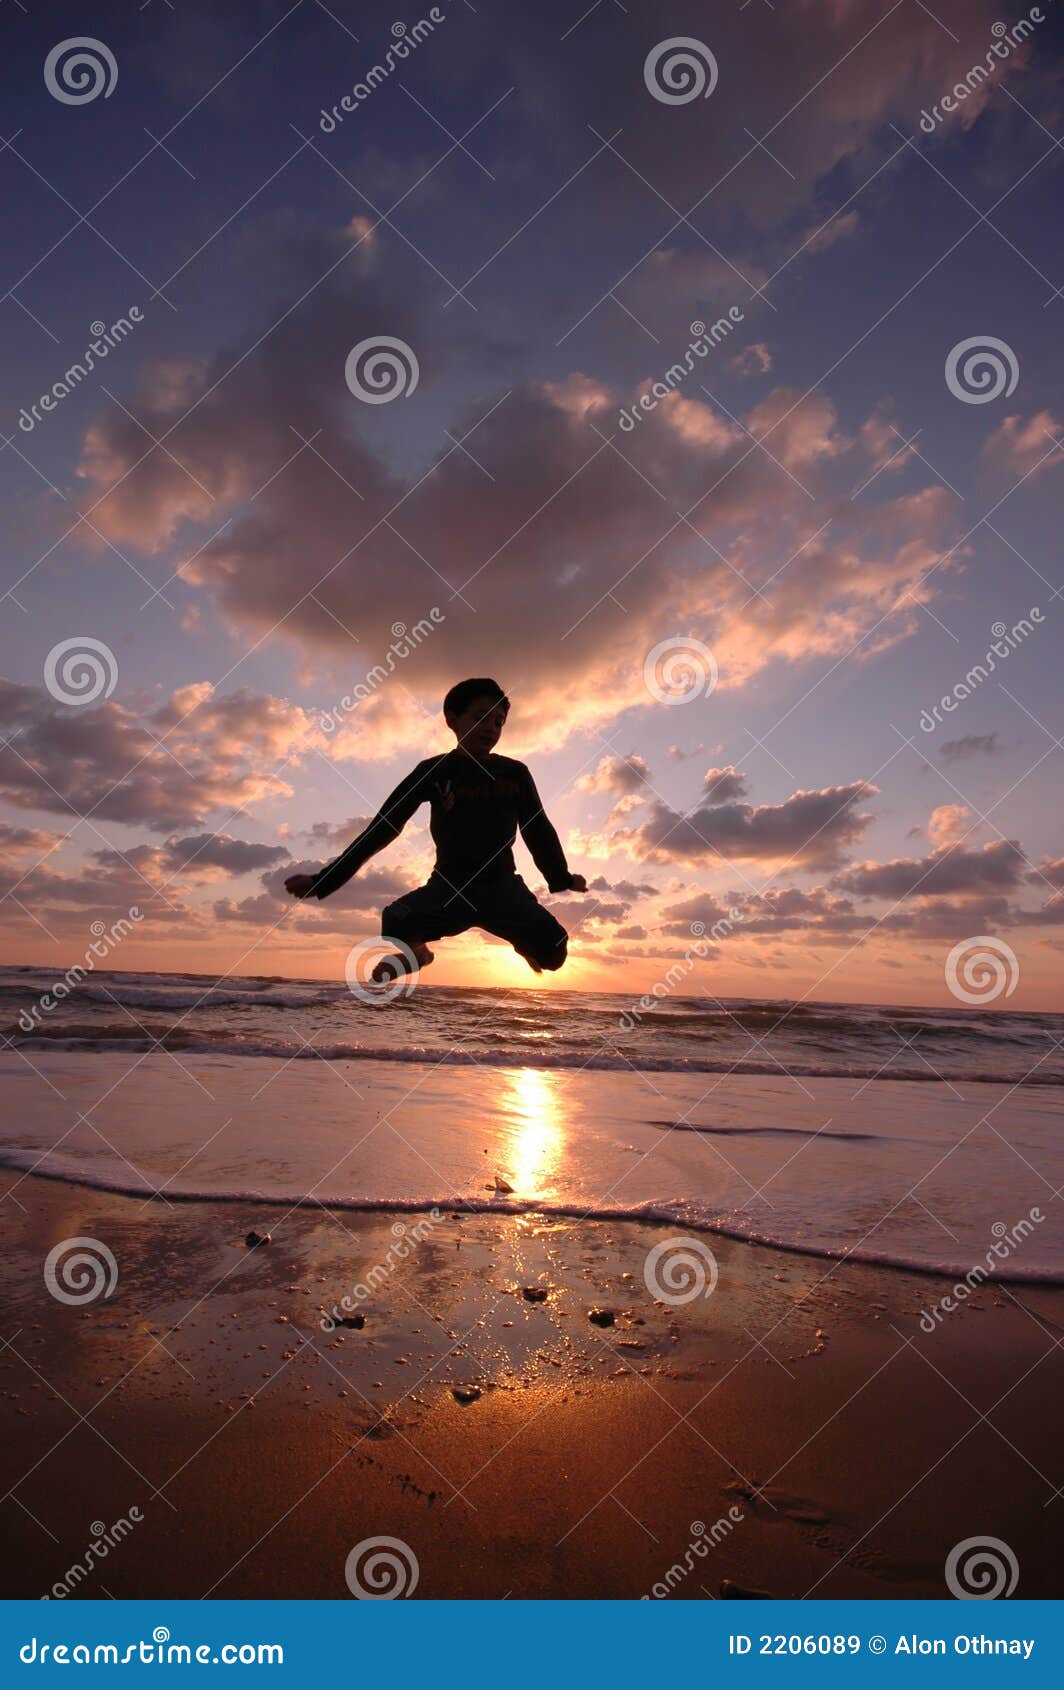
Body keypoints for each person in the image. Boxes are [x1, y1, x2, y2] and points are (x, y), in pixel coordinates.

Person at [285, 678, 587, 983]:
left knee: (555, 952)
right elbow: (384, 826)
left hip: (503, 888)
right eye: (480, 717)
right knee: (395, 920)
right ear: (452, 720)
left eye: (498, 722)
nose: (490, 728)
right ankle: (418, 955)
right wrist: (322, 880)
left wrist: (560, 877)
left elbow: (537, 828)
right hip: (448, 888)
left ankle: (522, 943)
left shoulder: (515, 773)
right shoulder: (434, 771)